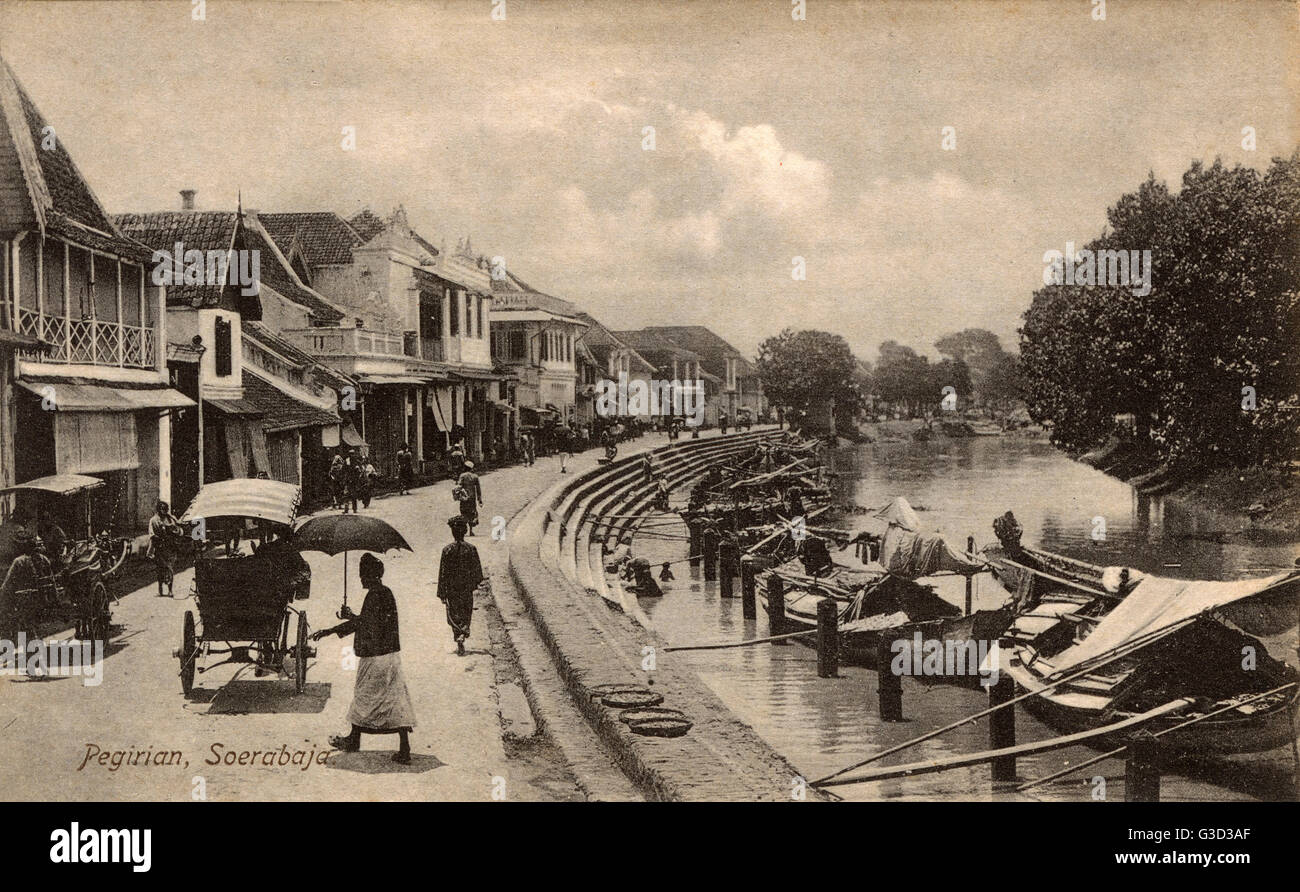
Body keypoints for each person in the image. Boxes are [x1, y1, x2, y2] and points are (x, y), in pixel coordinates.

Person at [313, 554, 414, 762]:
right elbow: (369, 621)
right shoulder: (384, 593)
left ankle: (354, 739)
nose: (361, 579)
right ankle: (402, 747)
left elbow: (364, 625)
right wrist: (351, 616)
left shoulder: (374, 595)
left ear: (370, 575)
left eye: (363, 575)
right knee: (393, 700)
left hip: (376, 657)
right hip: (390, 655)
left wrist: (331, 630)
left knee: (364, 696)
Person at [437, 516, 485, 655]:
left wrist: (442, 593)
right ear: (464, 531)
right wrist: (475, 584)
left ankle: (458, 634)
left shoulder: (447, 550)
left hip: (452, 589)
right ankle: (463, 632)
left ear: (452, 532)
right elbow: (477, 572)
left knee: (454, 613)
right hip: (466, 588)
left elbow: (443, 573)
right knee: (466, 611)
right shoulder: (471, 549)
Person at [148, 500, 182, 597]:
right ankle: (160, 590)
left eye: (166, 509)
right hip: (159, 549)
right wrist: (158, 538)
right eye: (162, 509)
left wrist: (173, 530)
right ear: (158, 509)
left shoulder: (171, 519)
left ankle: (170, 590)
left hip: (170, 548)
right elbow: (151, 534)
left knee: (170, 569)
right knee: (160, 570)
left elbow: (179, 529)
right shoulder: (153, 520)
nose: (165, 511)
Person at [455, 461, 482, 535]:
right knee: (472, 513)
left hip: (464, 497)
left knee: (463, 512)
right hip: (472, 498)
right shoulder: (475, 476)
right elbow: (478, 489)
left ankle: (463, 530)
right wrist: (479, 500)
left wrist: (457, 495)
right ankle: (471, 530)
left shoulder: (462, 475)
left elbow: (459, 486)